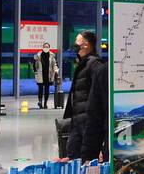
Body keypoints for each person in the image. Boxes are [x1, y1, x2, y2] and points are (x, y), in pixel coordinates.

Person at [61, 30, 107, 162]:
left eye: (77, 41)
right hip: (78, 120)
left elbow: (99, 95)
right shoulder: (83, 64)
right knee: (73, 155)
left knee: (86, 158)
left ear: (86, 45)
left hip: (88, 121)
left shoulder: (94, 65)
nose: (74, 44)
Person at [34, 41, 56, 108]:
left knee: (47, 89)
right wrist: (35, 72)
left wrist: (56, 70)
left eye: (47, 47)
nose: (46, 48)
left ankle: (45, 103)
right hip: (40, 74)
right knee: (40, 89)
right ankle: (40, 102)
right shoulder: (38, 55)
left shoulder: (52, 55)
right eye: (44, 47)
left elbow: (54, 64)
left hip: (48, 74)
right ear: (42, 48)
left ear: (49, 48)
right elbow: (34, 65)